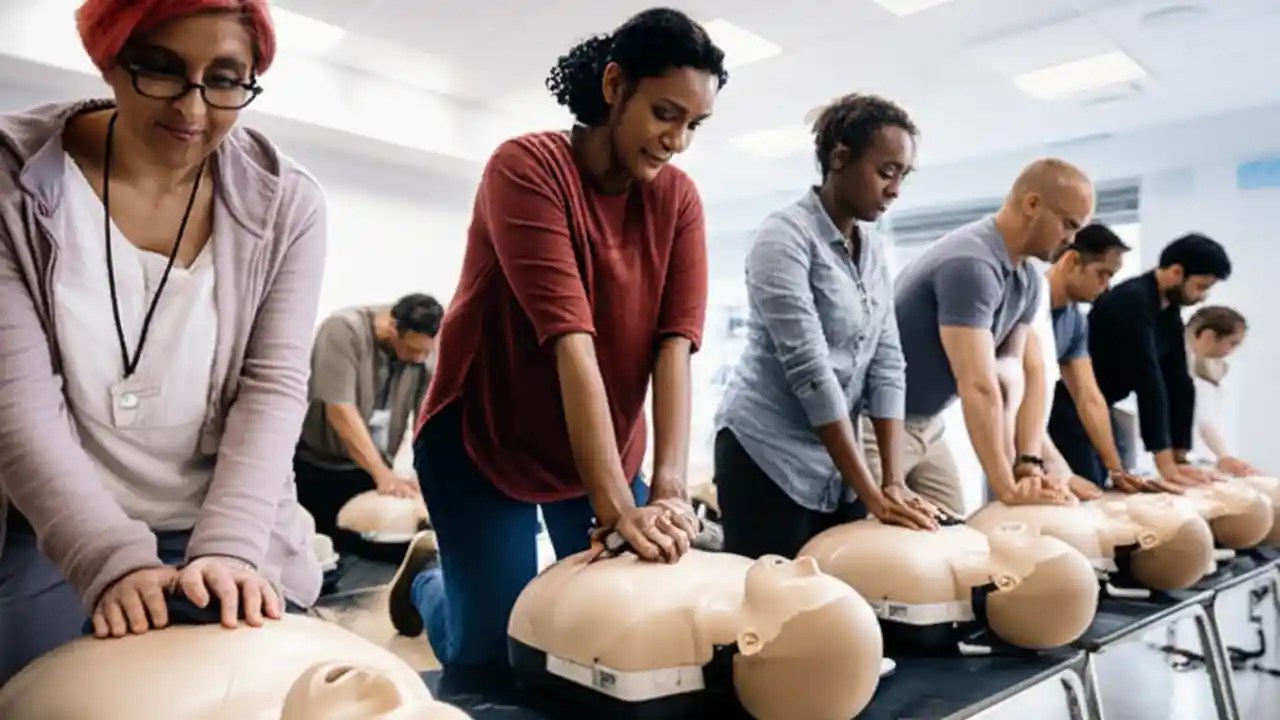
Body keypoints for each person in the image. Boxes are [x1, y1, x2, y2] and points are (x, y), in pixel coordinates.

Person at [385, 8, 729, 673]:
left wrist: (667, 491)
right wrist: (613, 509)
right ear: (613, 86)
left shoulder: (678, 200)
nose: (677, 141)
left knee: (624, 617)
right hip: (484, 438)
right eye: (665, 113)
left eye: (694, 125)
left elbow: (674, 349)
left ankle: (468, 570)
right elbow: (571, 339)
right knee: (490, 655)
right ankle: (430, 579)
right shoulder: (527, 168)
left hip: (599, 441)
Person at [0, 0, 324, 685]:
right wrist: (108, 558)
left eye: (225, 79)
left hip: (230, 514)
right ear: (110, 59)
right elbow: (15, 404)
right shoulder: (13, 182)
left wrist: (233, 551)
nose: (194, 108)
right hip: (59, 526)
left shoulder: (287, 204)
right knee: (42, 688)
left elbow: (272, 387)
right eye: (162, 69)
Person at [712, 93, 940, 562]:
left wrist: (892, 482)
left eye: (904, 175)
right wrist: (871, 492)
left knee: (841, 596)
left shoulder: (873, 248)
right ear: (839, 158)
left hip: (834, 464)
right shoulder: (784, 237)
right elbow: (810, 372)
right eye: (886, 171)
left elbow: (887, 362)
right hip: (766, 457)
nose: (895, 188)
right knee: (776, 609)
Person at [867, 159, 1094, 516]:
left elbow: (1009, 376)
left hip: (928, 423)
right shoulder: (972, 263)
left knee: (958, 538)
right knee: (882, 547)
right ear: (1032, 204)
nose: (1072, 240)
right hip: (876, 422)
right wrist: (1005, 486)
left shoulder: (1029, 281)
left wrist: (1028, 464)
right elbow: (977, 384)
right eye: (1068, 224)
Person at [1050, 234, 1232, 488]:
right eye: (1201, 286)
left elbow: (1178, 380)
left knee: (1119, 479)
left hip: (1102, 406)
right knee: (1090, 485)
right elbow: (1148, 379)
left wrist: (1180, 455)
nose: (1202, 296)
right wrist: (1164, 462)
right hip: (1067, 408)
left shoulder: (1167, 310)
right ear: (1177, 272)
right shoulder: (1131, 302)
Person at [1026, 224, 1175, 495]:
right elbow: (1013, 397)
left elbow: (1089, 396)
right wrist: (1051, 463)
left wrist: (1116, 469)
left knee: (1095, 489)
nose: (1106, 287)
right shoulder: (1024, 307)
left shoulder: (1075, 322)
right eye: (1102, 274)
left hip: (1040, 425)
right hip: (1017, 430)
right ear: (1072, 261)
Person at [294, 294, 443, 540]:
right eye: (413, 350)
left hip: (371, 468)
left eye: (426, 352)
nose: (420, 358)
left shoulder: (424, 352)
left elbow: (427, 420)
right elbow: (340, 409)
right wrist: (382, 475)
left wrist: (426, 479)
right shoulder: (343, 331)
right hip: (318, 467)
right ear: (392, 328)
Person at [1185, 306, 1258, 476]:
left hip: (1200, 458)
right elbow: (1204, 422)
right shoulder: (1177, 366)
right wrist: (1224, 457)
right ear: (1209, 336)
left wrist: (1225, 458)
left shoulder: (1212, 368)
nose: (1231, 352)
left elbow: (1208, 420)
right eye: (1232, 343)